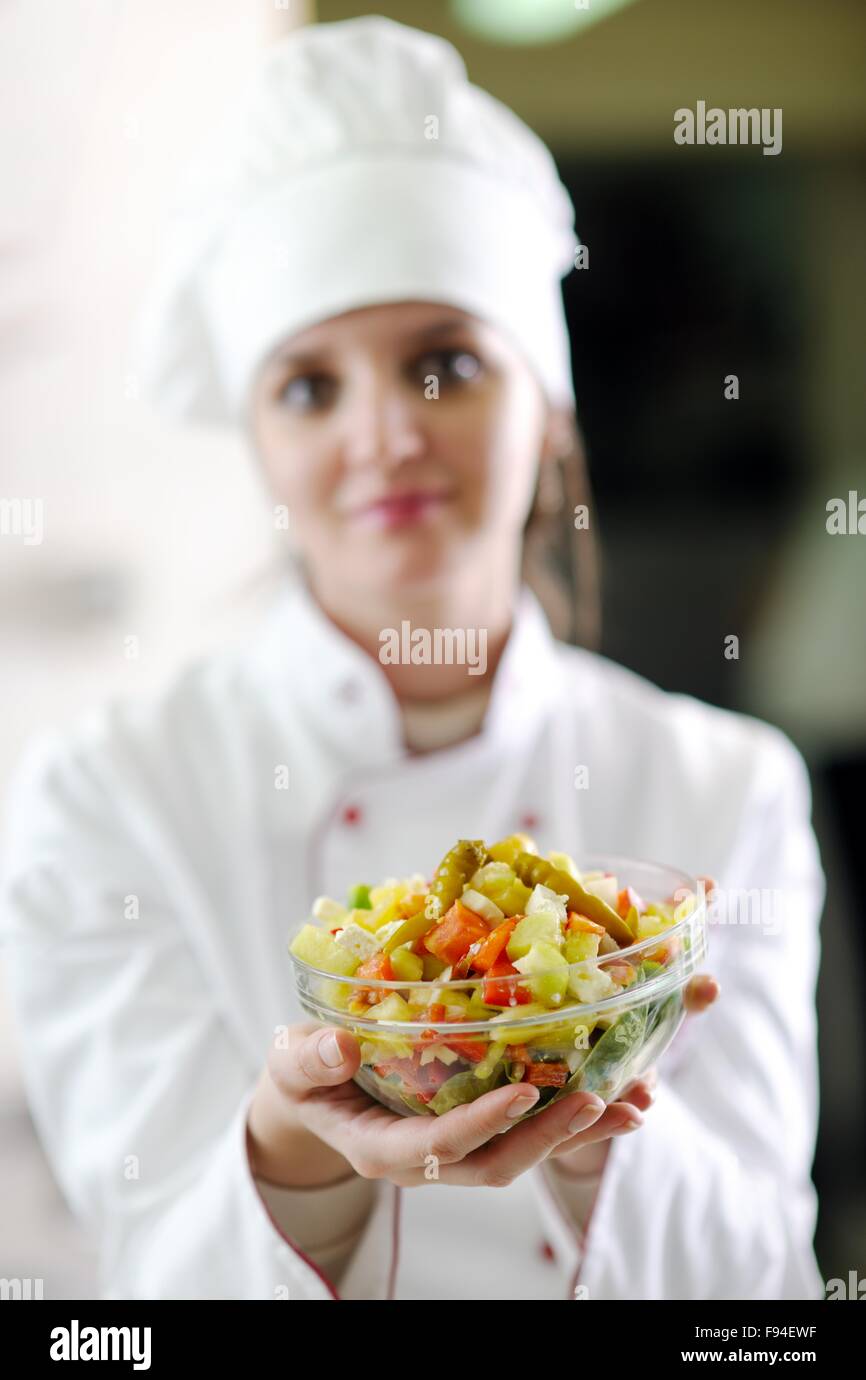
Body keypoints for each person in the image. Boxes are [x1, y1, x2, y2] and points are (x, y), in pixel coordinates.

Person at [0, 16, 824, 1301]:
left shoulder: (726, 785)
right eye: (309, 386)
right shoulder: (104, 794)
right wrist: (294, 1147)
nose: (384, 435)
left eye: (442, 364)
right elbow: (147, 1287)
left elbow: (760, 1286)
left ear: (545, 408)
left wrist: (602, 1080)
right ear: (257, 441)